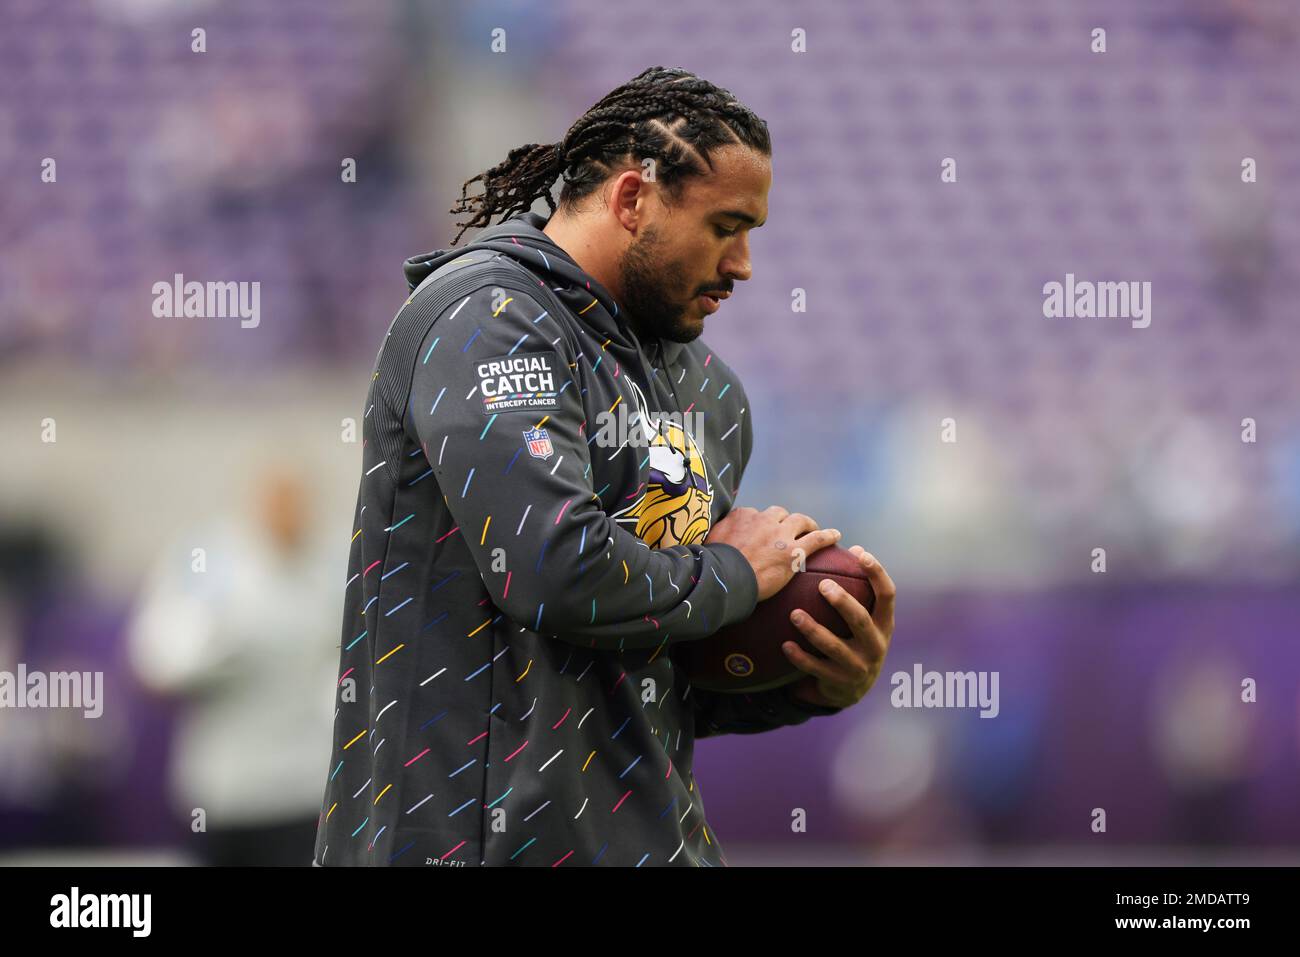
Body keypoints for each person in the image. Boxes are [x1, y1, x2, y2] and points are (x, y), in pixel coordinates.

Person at [313, 66, 895, 867]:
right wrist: (732, 570)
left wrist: (799, 679)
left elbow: (660, 665)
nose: (745, 264)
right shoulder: (489, 320)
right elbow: (555, 566)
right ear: (632, 200)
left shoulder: (709, 393)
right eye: (726, 225)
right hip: (463, 842)